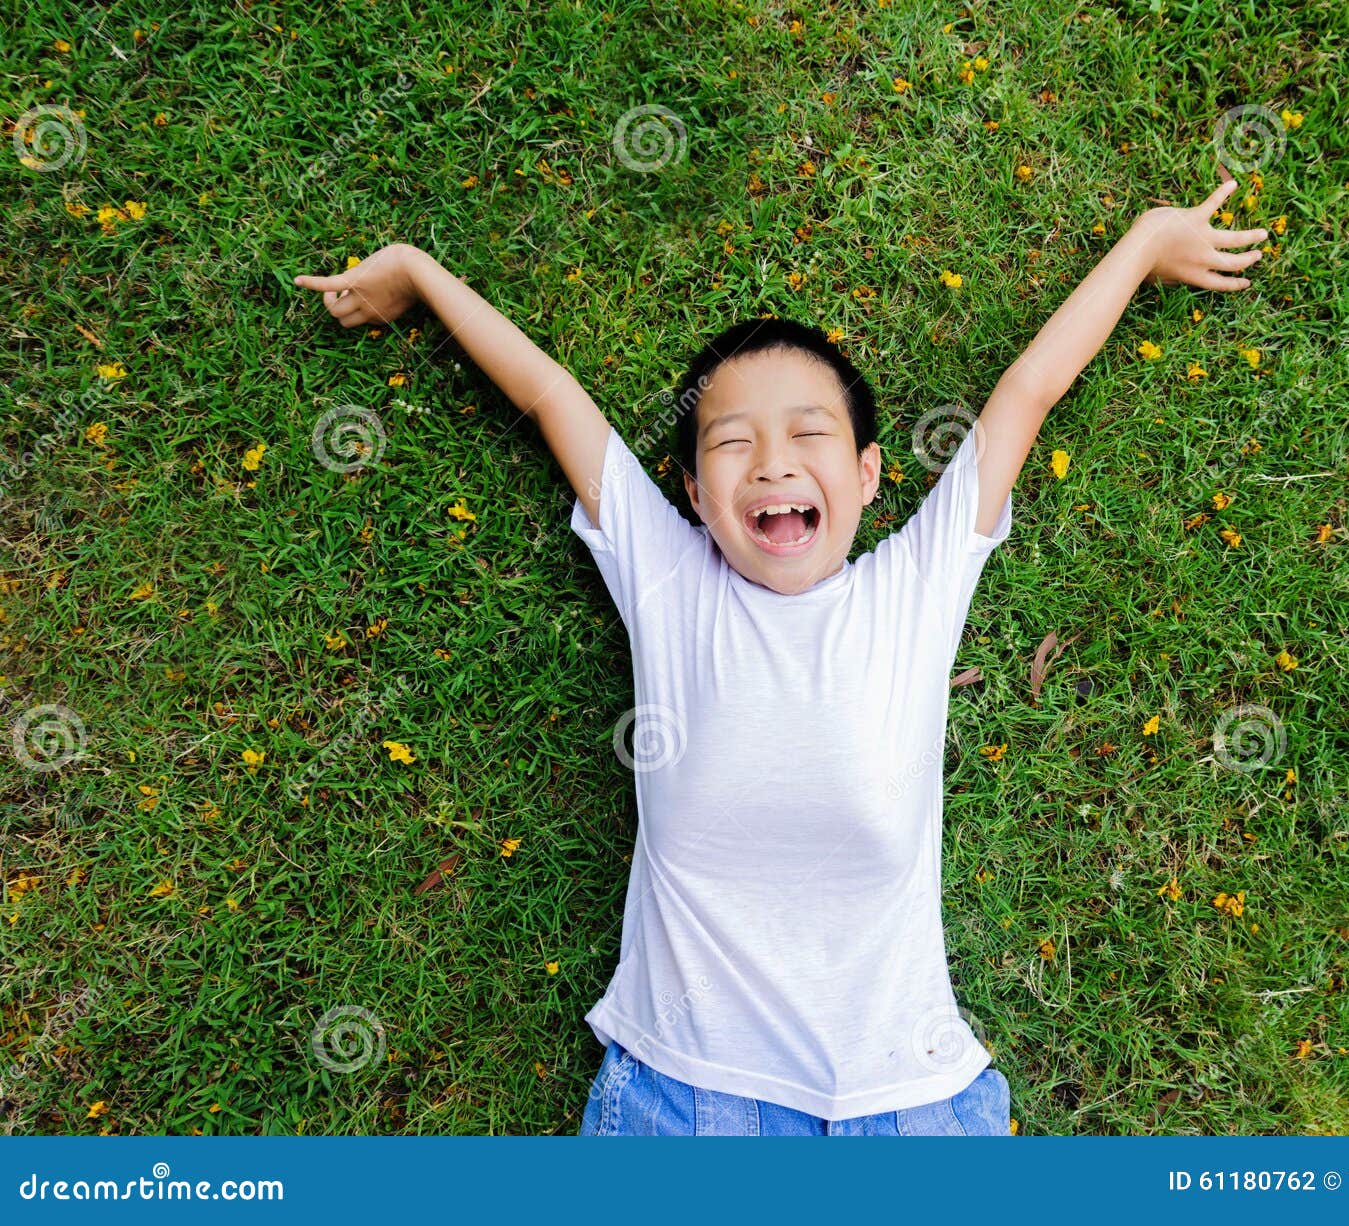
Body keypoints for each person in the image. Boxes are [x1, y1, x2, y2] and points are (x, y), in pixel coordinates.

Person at [292, 178, 1266, 1135]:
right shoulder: (672, 580)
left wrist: (1142, 247)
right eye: (731, 442)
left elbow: (1026, 394)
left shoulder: (911, 588)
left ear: (867, 474)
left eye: (808, 433)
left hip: (911, 1107)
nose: (771, 463)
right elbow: (550, 394)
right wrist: (418, 275)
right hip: (687, 1100)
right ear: (687, 488)